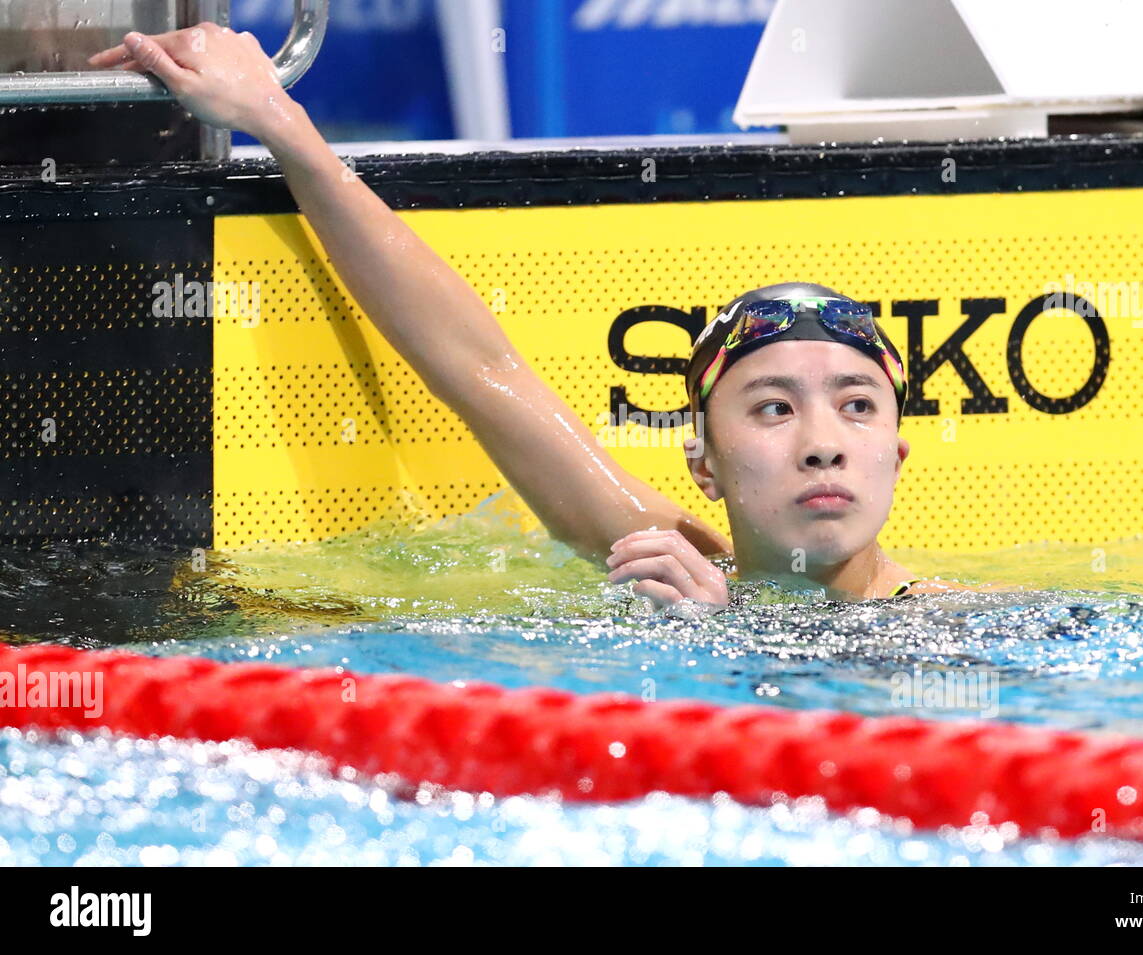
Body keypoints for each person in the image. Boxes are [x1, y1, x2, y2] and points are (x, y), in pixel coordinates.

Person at [89, 24, 972, 612]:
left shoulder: (976, 631)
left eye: (857, 405)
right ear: (701, 463)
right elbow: (480, 370)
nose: (823, 442)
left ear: (895, 453)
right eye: (774, 408)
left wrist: (732, 639)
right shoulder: (669, 554)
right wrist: (277, 120)